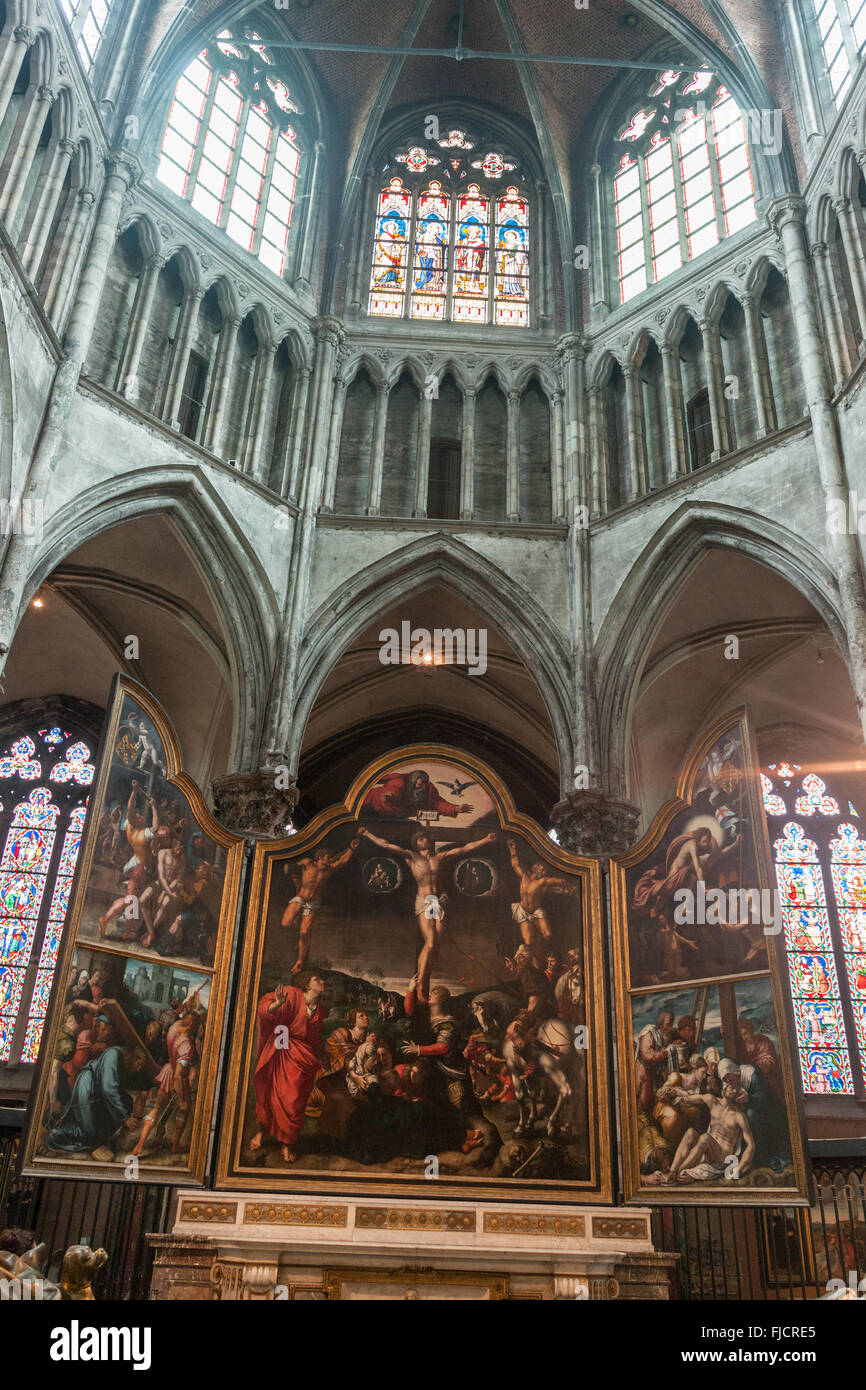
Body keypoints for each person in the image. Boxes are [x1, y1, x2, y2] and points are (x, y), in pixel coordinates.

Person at [358, 826, 497, 1001]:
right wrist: (367, 833)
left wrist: (485, 840)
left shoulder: (440, 857)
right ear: (416, 844)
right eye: (420, 840)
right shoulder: (411, 856)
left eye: (426, 839)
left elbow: (465, 848)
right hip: (425, 902)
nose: (424, 841)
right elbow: (386, 845)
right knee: (430, 944)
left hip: (441, 901)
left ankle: (423, 982)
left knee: (434, 946)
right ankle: (421, 986)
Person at [250, 971, 326, 1163]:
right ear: (307, 985)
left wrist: (321, 1055)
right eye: (317, 979)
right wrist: (277, 1004)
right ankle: (261, 1132)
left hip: (303, 1058)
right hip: (282, 1050)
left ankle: (287, 1143)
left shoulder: (320, 1010)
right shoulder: (292, 994)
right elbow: (264, 1009)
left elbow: (315, 1038)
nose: (322, 982)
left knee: (295, 1102)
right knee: (271, 1095)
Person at [648, 1079, 755, 1184]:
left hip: (721, 1157)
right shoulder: (712, 1101)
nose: (732, 1089)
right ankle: (673, 1170)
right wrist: (674, 1090)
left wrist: (739, 1169)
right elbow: (688, 1098)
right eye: (730, 1085)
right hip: (706, 1150)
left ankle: (674, 1173)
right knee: (690, 1133)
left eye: (736, 1088)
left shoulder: (738, 1116)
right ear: (724, 1088)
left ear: (739, 1095)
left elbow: (751, 1145)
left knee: (705, 1138)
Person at [281, 841, 360, 975]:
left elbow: (342, 860)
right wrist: (294, 876)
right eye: (327, 857)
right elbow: (290, 867)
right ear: (320, 857)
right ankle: (297, 930)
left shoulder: (329, 869)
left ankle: (300, 962)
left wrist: (352, 848)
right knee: (286, 922)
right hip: (300, 898)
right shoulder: (307, 863)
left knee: (305, 933)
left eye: (330, 857)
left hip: (313, 904)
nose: (329, 859)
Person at [507, 839, 575, 967]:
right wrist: (513, 850)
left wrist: (567, 884)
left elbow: (557, 880)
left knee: (547, 934)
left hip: (536, 910)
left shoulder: (543, 881)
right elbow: (515, 864)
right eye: (542, 870)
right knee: (528, 941)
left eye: (544, 872)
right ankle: (536, 961)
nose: (544, 873)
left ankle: (544, 951)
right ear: (536, 868)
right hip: (522, 910)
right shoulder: (524, 877)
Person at [362, 769, 473, 819]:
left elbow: (438, 803)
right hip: (370, 805)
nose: (423, 786)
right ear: (413, 780)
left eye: (425, 782)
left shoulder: (428, 789)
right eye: (421, 783)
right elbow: (393, 791)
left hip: (395, 817)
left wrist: (455, 809)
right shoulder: (400, 782)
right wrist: (390, 797)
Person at [635, 1010, 677, 1114]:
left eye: (671, 1025)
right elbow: (647, 1055)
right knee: (644, 1103)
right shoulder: (649, 1032)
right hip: (644, 1072)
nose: (669, 1028)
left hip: (654, 1073)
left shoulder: (661, 1034)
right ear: (661, 1023)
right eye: (668, 1024)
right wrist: (664, 1054)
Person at [325, 1007, 369, 1074]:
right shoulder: (341, 1033)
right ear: (353, 1020)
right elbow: (347, 1059)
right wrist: (366, 1044)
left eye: (366, 1015)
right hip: (333, 1074)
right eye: (361, 1016)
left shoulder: (366, 1037)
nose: (366, 1017)